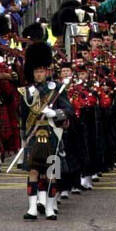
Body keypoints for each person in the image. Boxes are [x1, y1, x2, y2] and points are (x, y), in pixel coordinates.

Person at [18, 42, 73, 221]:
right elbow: (22, 118)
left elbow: (69, 110)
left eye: (42, 71)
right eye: (36, 71)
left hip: (52, 134)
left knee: (52, 173)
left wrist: (55, 113)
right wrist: (23, 139)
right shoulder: (26, 92)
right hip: (34, 135)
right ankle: (32, 207)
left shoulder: (56, 89)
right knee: (33, 172)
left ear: (47, 71)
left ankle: (50, 207)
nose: (39, 74)